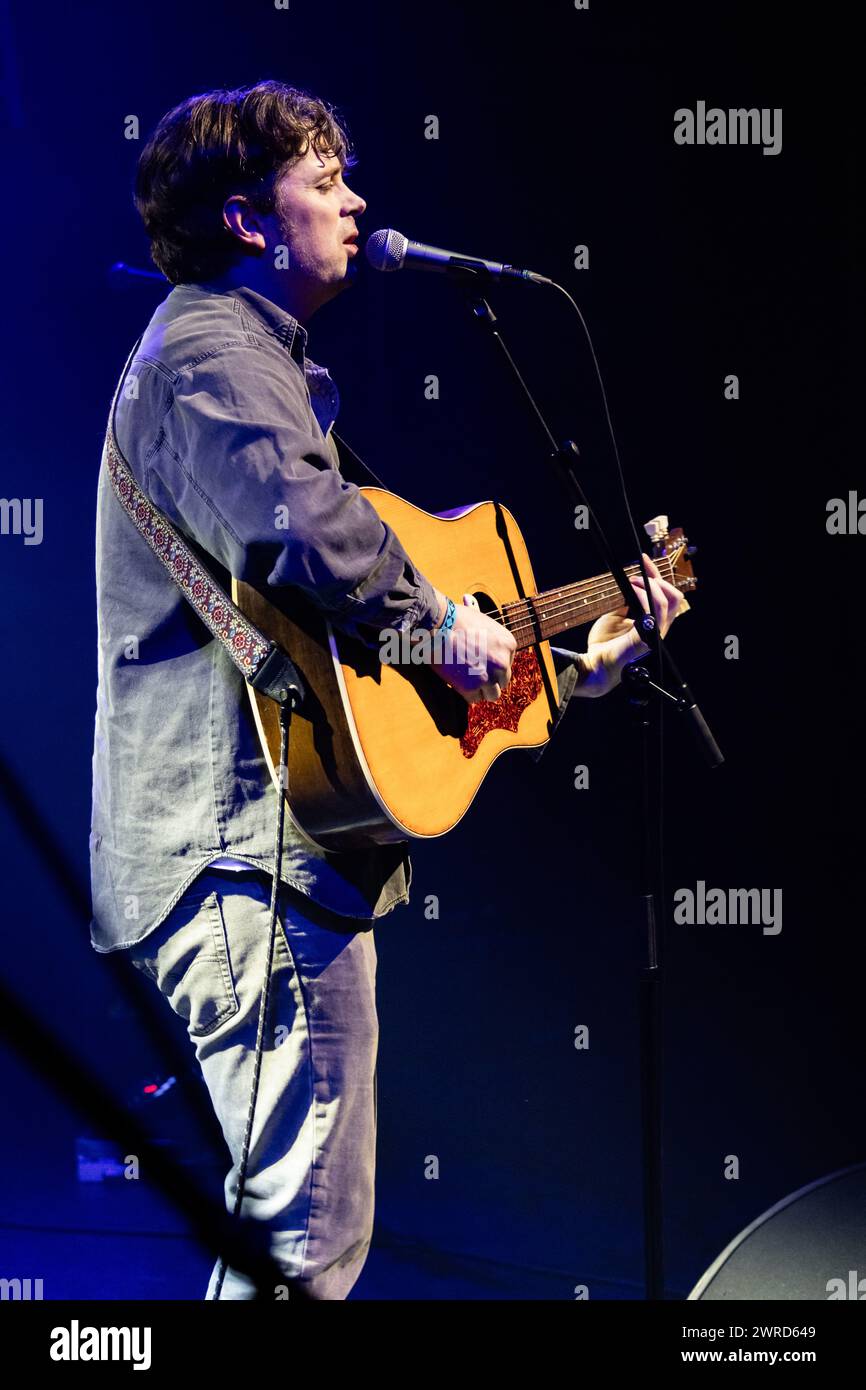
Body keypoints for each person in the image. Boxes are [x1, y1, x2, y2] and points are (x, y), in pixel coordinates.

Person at [89, 79, 688, 1300]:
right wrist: (431, 621)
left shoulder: (257, 366)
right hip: (237, 855)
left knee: (296, 1239)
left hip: (272, 852)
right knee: (303, 1244)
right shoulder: (209, 347)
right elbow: (306, 538)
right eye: (324, 182)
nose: (356, 201)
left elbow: (376, 676)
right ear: (251, 221)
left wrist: (574, 662)